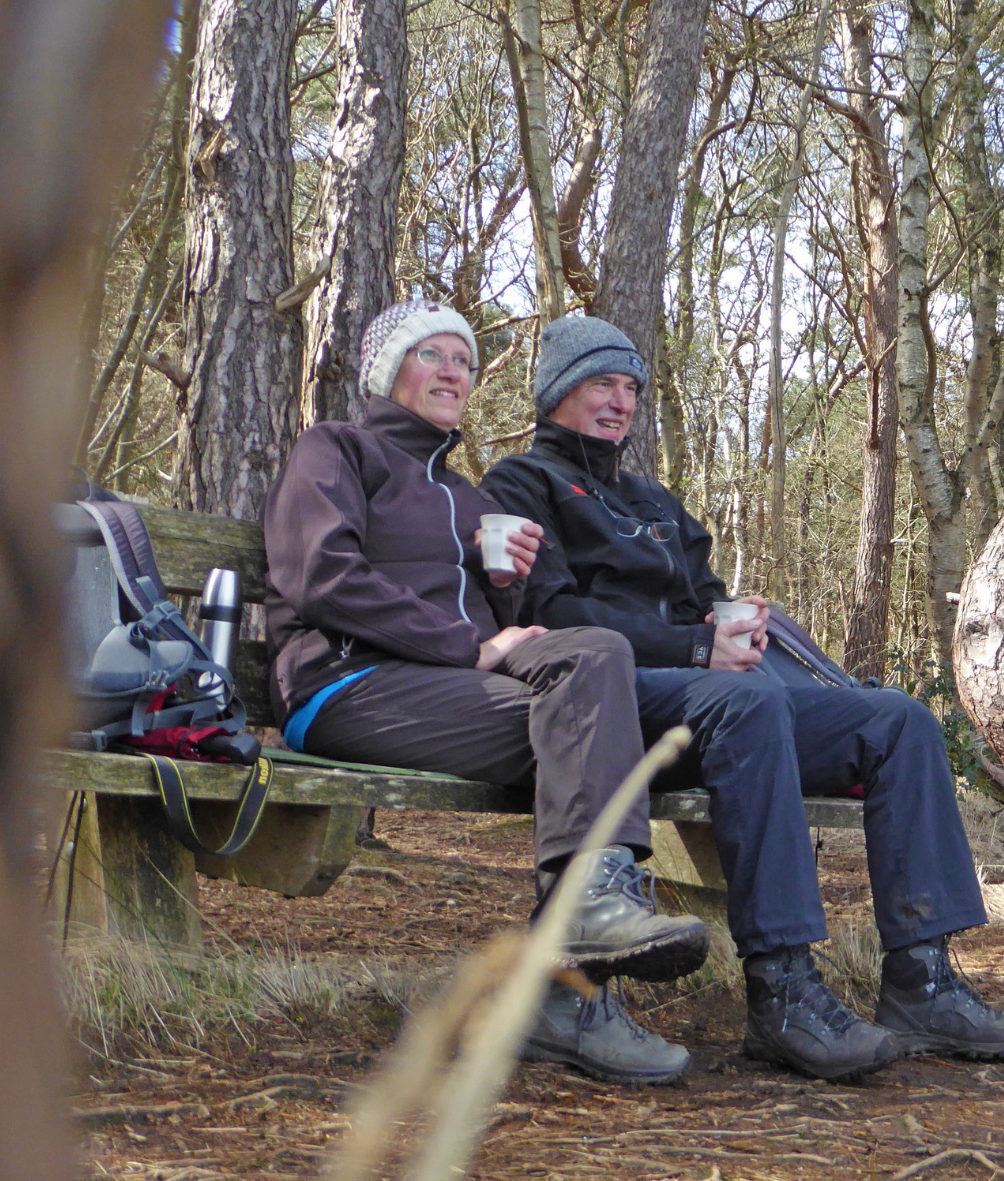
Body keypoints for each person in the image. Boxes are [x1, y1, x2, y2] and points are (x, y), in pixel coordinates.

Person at [482, 313, 1004, 1082]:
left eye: (630, 387)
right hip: (610, 708)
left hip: (717, 709)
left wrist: (739, 626)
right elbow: (552, 617)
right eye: (601, 383)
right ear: (556, 390)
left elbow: (705, 602)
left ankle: (923, 981)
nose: (620, 402)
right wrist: (697, 648)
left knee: (899, 721)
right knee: (749, 704)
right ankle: (784, 989)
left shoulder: (654, 502)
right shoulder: (520, 484)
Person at [263, 298, 709, 1086]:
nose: (453, 372)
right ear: (387, 370)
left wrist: (502, 583)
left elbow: (506, 628)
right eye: (432, 354)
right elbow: (323, 577)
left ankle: (576, 957)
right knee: (591, 738)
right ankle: (571, 985)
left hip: (446, 692)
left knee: (596, 668)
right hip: (345, 684)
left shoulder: (468, 497)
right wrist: (468, 644)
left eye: (465, 361)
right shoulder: (335, 450)